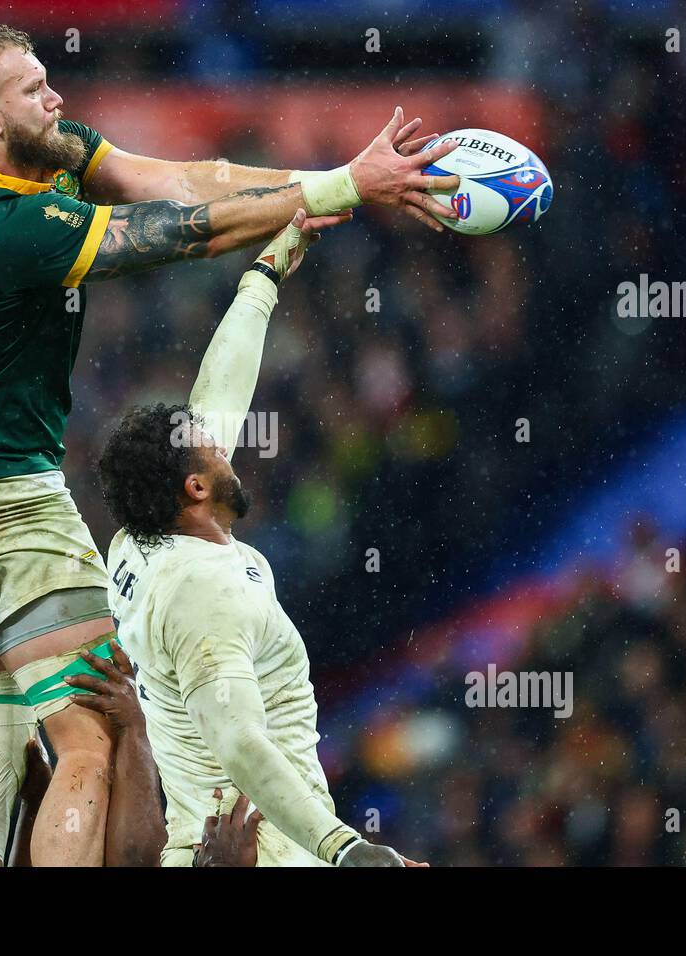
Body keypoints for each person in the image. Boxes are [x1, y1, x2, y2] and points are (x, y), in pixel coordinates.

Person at [0, 23, 461, 867]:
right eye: (31, 89)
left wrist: (338, 186)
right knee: (88, 744)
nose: (55, 98)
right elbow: (186, 229)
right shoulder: (6, 227)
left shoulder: (10, 163)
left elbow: (186, 179)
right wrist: (339, 189)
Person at [98, 210, 408, 866]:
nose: (227, 444)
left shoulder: (138, 541)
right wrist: (346, 849)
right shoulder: (203, 589)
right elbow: (240, 741)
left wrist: (262, 280)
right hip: (266, 851)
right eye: (212, 449)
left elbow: (219, 394)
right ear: (195, 490)